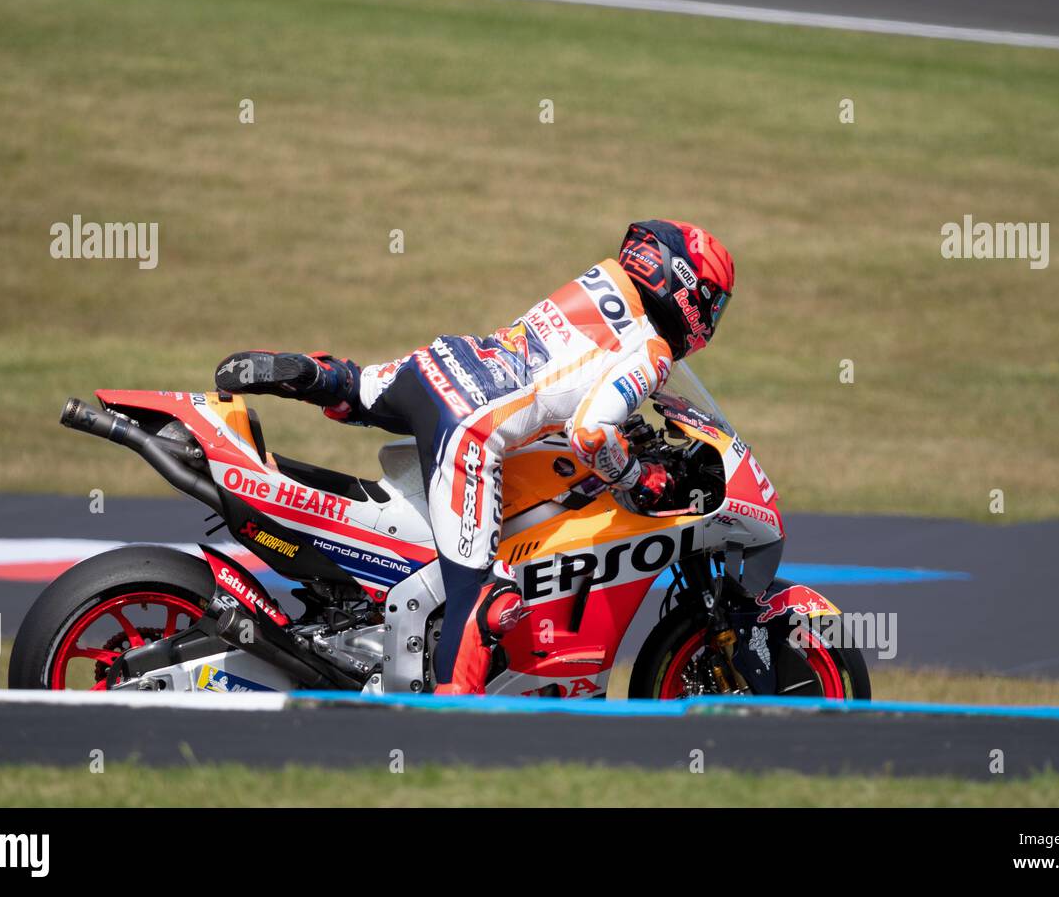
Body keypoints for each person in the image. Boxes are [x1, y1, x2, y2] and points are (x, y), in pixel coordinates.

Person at [215, 220, 735, 694]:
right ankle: (453, 720)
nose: (710, 319)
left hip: (440, 368)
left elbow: (567, 374)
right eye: (712, 303)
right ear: (686, 286)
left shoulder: (599, 283)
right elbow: (591, 434)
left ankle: (311, 374)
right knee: (485, 600)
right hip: (469, 426)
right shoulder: (653, 351)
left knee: (351, 386)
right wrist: (637, 475)